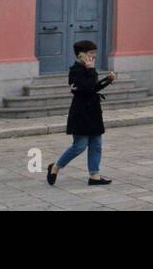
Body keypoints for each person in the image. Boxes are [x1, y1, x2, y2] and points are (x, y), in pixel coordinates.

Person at [47, 40, 117, 186]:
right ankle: (55, 167)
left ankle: (94, 176)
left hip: (93, 111)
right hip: (81, 112)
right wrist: (91, 70)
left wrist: (107, 81)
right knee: (79, 145)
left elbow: (93, 88)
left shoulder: (90, 69)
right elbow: (86, 88)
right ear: (81, 55)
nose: (94, 56)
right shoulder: (75, 70)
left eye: (94, 53)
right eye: (91, 53)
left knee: (96, 144)